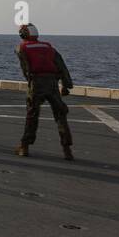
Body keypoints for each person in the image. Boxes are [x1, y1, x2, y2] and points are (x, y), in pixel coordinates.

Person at [14, 23, 75, 160]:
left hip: (36, 83)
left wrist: (30, 82)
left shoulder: (22, 47)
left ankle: (24, 147)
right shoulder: (48, 47)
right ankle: (67, 150)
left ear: (23, 35)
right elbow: (61, 66)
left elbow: (26, 68)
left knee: (32, 114)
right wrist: (66, 85)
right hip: (52, 83)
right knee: (60, 115)